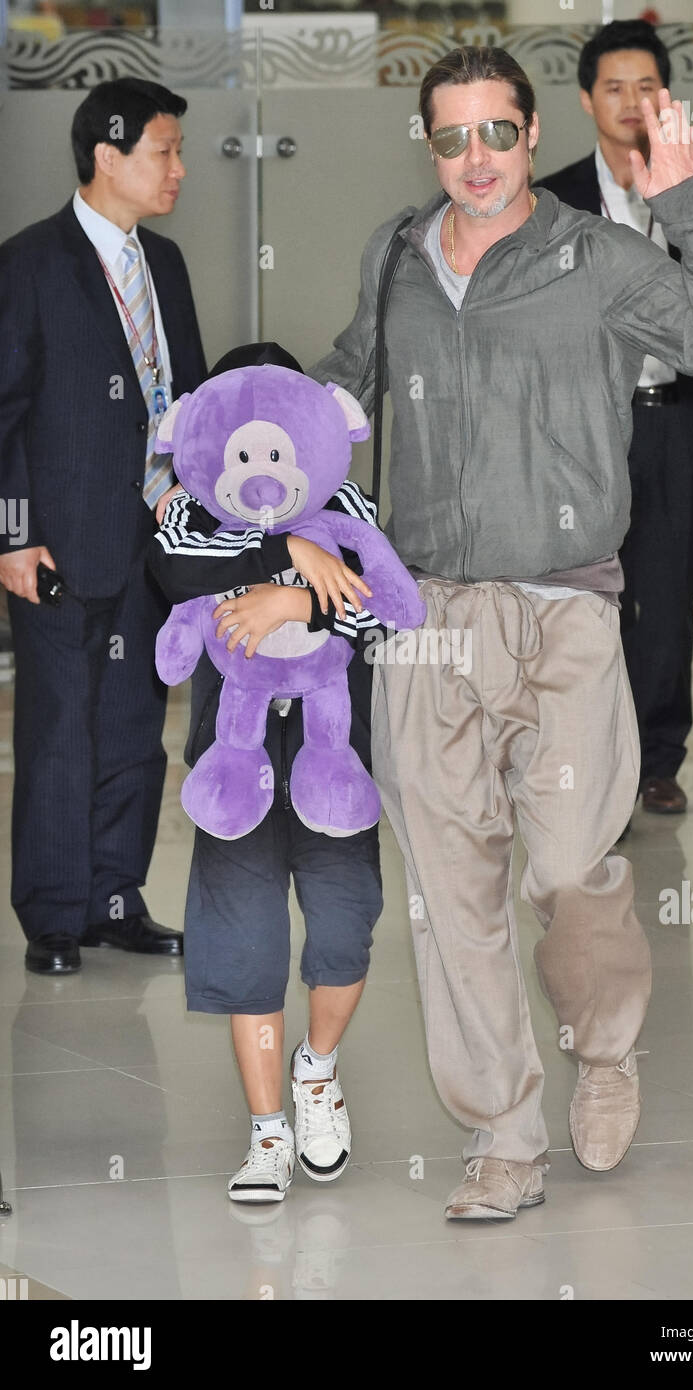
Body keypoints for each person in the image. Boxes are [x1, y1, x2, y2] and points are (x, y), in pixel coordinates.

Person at [306, 44, 693, 1220]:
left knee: (567, 871)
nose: (475, 160)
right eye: (452, 137)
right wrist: (254, 461)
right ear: (430, 143)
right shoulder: (397, 256)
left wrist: (686, 204)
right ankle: (502, 1135)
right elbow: (346, 382)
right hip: (425, 618)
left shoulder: (594, 255)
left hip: (564, 608)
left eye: (496, 135)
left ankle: (604, 1046)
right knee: (451, 894)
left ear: (528, 135)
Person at [148, 342, 388, 1203]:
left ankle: (315, 1073)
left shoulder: (343, 498)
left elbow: (379, 609)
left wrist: (302, 596)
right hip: (233, 758)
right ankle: (266, 1131)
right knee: (244, 937)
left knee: (342, 924)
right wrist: (285, 550)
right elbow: (169, 568)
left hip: (333, 755)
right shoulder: (195, 507)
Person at [537, 20, 693, 815]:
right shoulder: (557, 195)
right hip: (591, 431)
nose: (628, 102)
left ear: (665, 97)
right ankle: (600, 761)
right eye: (612, 87)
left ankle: (657, 759)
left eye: (644, 86)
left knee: (669, 595)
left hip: (684, 417)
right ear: (586, 98)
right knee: (592, 598)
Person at [0, 78, 206, 974]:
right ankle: (52, 912)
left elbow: (187, 401)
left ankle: (115, 896)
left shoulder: (164, 263)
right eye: (164, 151)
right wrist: (10, 535)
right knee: (56, 728)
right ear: (107, 156)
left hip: (150, 539)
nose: (178, 169)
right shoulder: (30, 263)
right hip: (55, 543)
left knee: (133, 723)